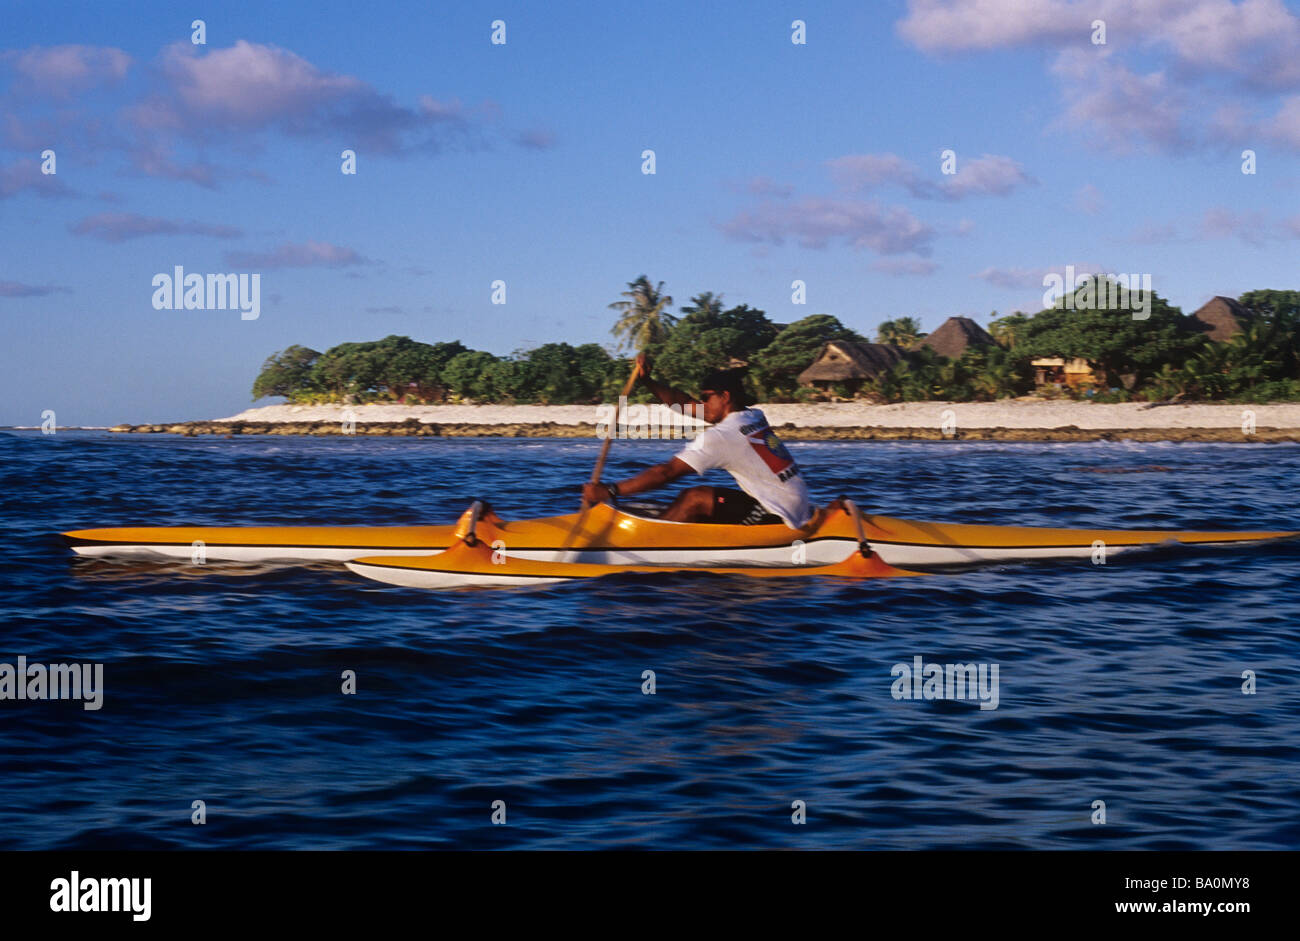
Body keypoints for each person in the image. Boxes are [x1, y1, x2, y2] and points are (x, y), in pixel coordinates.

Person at [581, 353, 814, 528]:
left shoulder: (722, 436)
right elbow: (684, 403)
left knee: (695, 499)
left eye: (705, 398)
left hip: (779, 515)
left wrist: (610, 491)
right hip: (797, 505)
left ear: (725, 397)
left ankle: (651, 546)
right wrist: (648, 381)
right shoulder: (753, 416)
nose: (700, 404)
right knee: (690, 496)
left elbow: (666, 472)